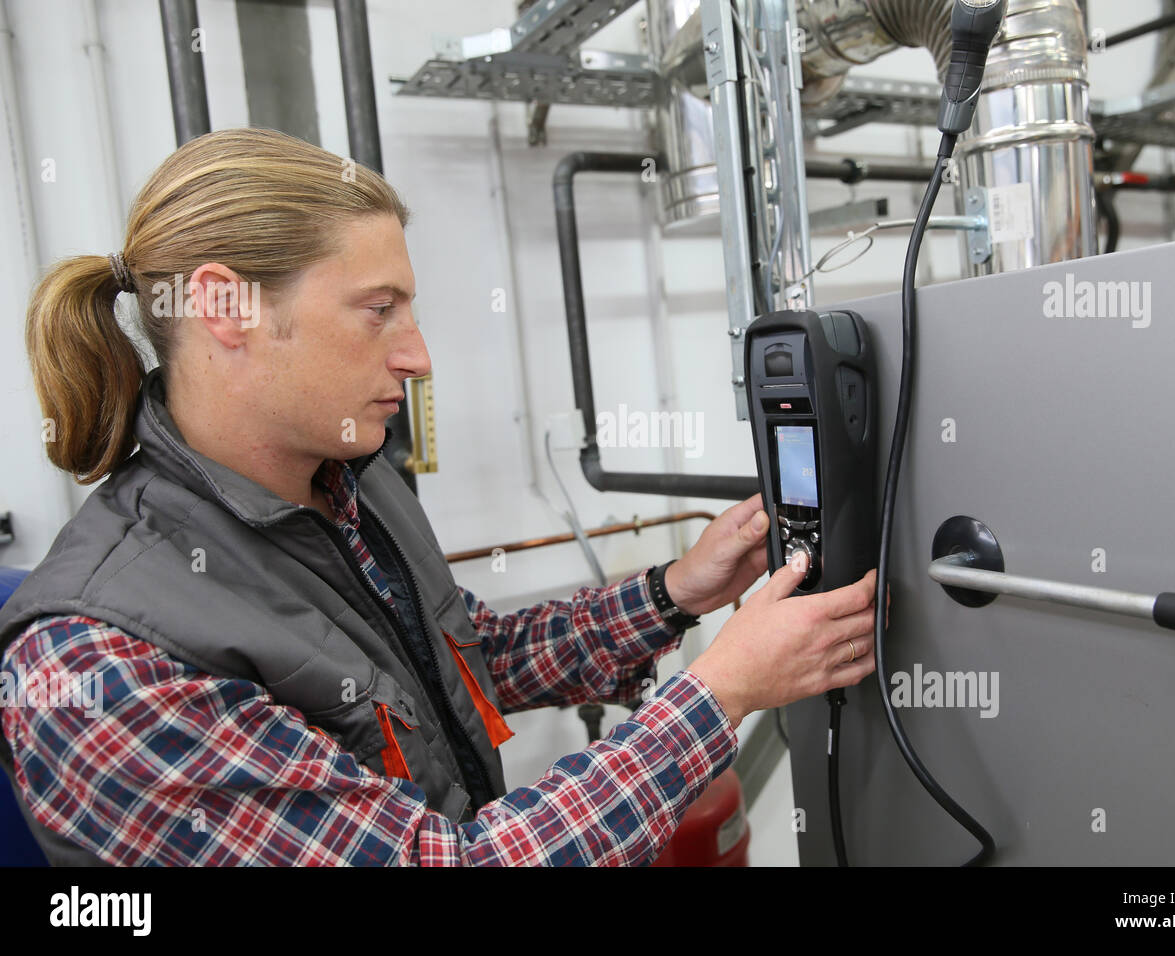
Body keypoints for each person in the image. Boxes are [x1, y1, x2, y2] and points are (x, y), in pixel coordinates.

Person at [0, 127, 883, 866]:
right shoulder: (100, 667)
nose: (417, 355)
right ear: (225, 308)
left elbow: (463, 661)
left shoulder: (351, 479)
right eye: (377, 309)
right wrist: (719, 693)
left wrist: (671, 594)